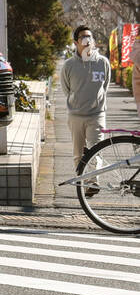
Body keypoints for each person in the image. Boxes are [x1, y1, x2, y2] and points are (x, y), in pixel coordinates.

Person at [61, 25, 111, 189]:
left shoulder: (103, 62)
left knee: (96, 149)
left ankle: (93, 183)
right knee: (78, 153)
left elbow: (105, 87)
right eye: (83, 37)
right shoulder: (69, 66)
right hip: (76, 116)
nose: (87, 40)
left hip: (97, 115)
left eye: (89, 36)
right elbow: (66, 89)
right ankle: (82, 184)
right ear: (76, 42)